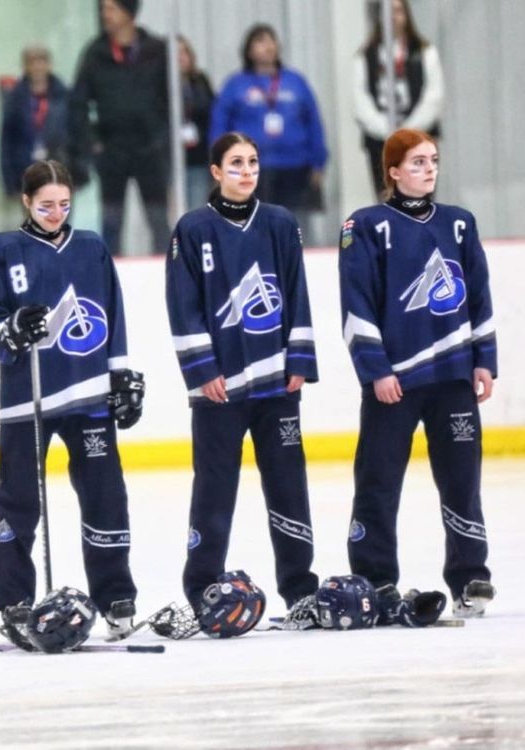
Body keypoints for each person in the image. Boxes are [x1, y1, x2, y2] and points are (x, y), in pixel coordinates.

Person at [0, 159, 144, 643]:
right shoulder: (1, 250)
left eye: (64, 204)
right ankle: (15, 601)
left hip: (89, 394)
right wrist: (11, 329)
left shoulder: (91, 247)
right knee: (19, 502)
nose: (55, 213)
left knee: (105, 497)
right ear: (25, 201)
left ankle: (116, 596)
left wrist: (121, 374)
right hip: (26, 399)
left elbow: (113, 314)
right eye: (45, 205)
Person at [338, 128, 497, 618]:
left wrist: (485, 359)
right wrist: (375, 369)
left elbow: (479, 294)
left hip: (452, 377)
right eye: (417, 162)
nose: (429, 169)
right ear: (392, 171)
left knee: (461, 480)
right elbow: (356, 302)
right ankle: (375, 579)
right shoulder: (364, 225)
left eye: (433, 160)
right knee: (379, 480)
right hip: (395, 382)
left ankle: (471, 576)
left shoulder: (459, 225)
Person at [165, 132, 320, 618]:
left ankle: (300, 588)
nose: (247, 171)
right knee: (214, 485)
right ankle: (202, 585)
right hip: (220, 387)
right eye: (235, 163)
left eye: (252, 162)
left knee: (288, 483)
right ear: (214, 171)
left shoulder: (280, 223)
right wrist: (202, 369)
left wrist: (299, 360)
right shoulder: (192, 229)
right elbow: (182, 305)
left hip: (277, 382)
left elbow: (296, 290)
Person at [69, 0, 170, 256]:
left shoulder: (156, 50)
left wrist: (162, 137)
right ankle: (109, 275)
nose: (105, 14)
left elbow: (172, 98)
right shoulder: (95, 52)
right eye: (103, 9)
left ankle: (167, 272)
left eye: (112, 8)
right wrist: (92, 143)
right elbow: (78, 102)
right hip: (111, 149)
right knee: (111, 221)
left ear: (129, 12)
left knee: (158, 219)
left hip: (150, 149)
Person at [210, 24, 327, 217]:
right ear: (249, 50)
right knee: (253, 221)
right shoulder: (236, 84)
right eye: (260, 41)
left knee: (295, 222)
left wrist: (318, 162)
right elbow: (219, 124)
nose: (268, 46)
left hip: (295, 166)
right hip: (249, 169)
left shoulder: (295, 81)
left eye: (271, 40)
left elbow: (313, 122)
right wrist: (220, 162)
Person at [353, 0, 444, 196]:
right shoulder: (366, 56)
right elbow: (361, 101)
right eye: (389, 11)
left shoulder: (424, 52)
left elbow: (433, 98)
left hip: (419, 138)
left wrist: (408, 131)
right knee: (388, 200)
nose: (393, 16)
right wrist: (387, 131)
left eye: (398, 10)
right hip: (380, 142)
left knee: (421, 200)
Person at [0, 45, 70, 198]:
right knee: (33, 219)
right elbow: (7, 140)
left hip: (59, 169)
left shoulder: (64, 95)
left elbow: (75, 133)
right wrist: (8, 179)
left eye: (42, 61)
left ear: (49, 65)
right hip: (26, 171)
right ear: (25, 66)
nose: (37, 67)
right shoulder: (15, 99)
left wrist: (78, 170)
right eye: (32, 62)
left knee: (59, 217)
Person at [177, 35, 214, 212]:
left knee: (197, 207)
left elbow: (210, 112)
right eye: (176, 53)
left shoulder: (200, 81)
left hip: (197, 156)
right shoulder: (159, 85)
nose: (181, 57)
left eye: (184, 52)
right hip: (172, 158)